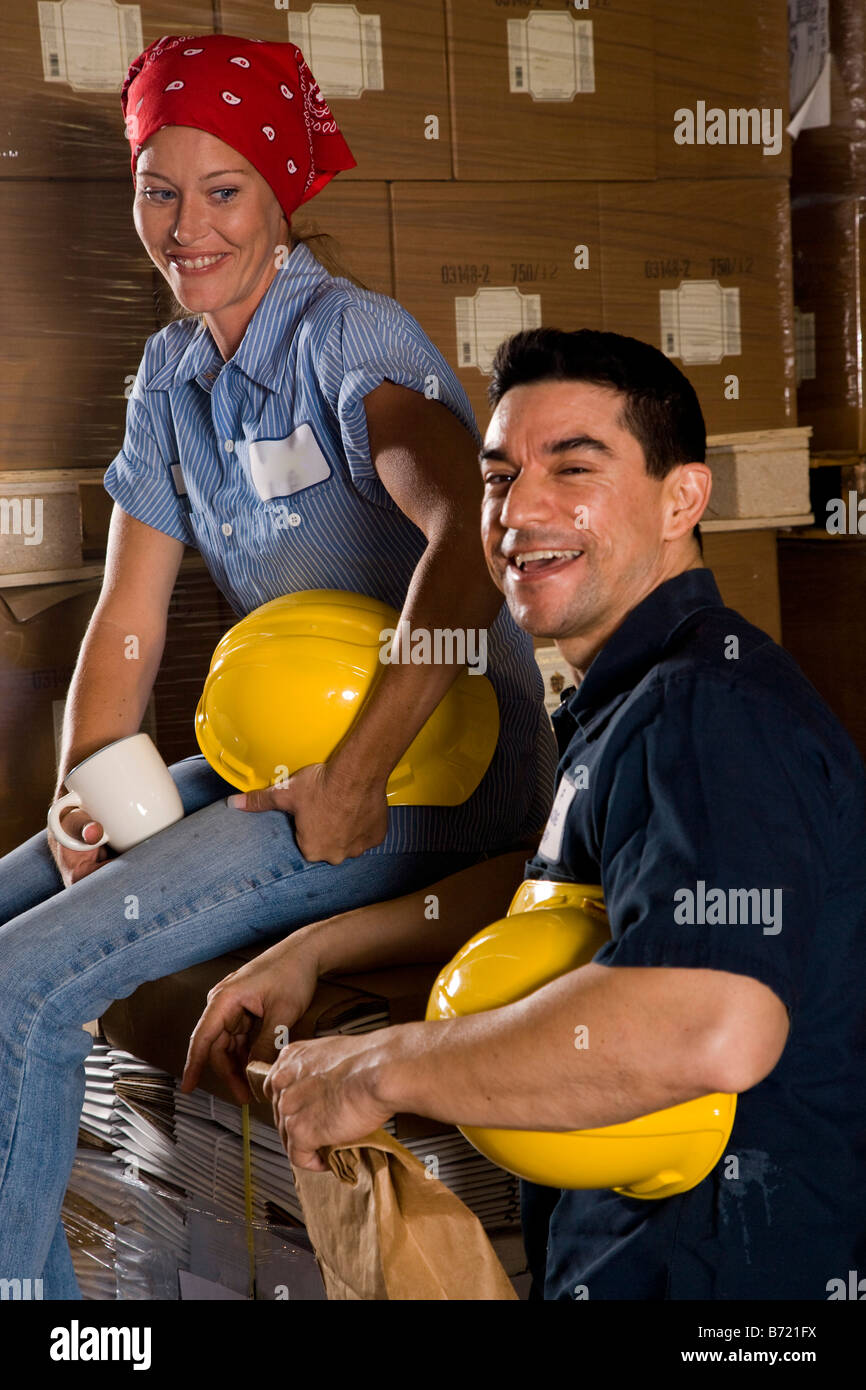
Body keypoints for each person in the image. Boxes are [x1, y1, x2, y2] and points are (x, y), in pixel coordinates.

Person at [0, 35, 555, 1300]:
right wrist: (84, 782)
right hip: (275, 761)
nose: (184, 225)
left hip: (421, 779)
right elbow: (127, 618)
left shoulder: (347, 338)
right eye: (157, 188)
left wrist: (359, 772)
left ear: (282, 193)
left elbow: (466, 543)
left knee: (19, 984)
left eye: (221, 190)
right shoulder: (171, 376)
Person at [189, 327, 866, 1301]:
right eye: (499, 477)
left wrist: (379, 1071)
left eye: (571, 469)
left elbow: (712, 1021)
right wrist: (320, 948)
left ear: (681, 498)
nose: (517, 513)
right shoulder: (633, 696)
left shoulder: (702, 712)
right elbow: (557, 883)